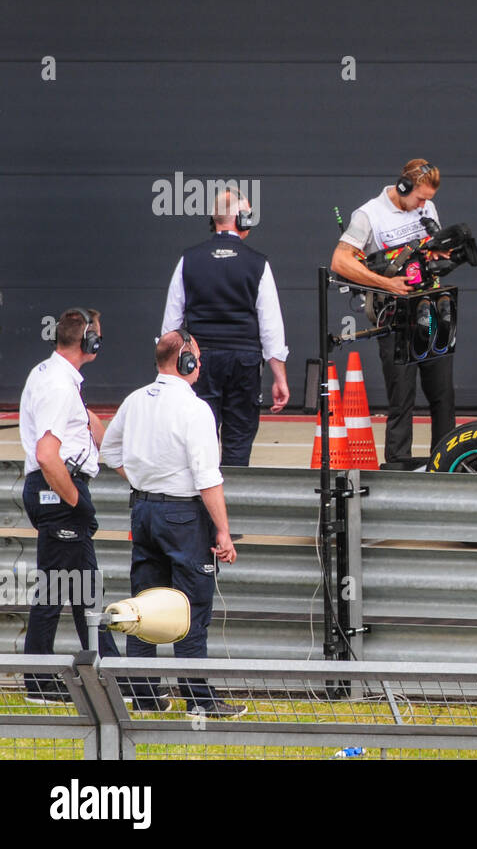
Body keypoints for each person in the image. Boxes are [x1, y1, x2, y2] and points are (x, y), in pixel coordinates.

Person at [99, 330, 246, 718]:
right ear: (187, 362)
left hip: (143, 511)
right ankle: (198, 699)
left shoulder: (134, 401)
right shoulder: (195, 409)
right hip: (183, 515)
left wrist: (141, 481)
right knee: (192, 607)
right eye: (197, 356)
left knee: (144, 607)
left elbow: (109, 450)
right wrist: (224, 531)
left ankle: (145, 695)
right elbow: (207, 478)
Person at [19, 308, 120, 702]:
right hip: (59, 492)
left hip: (53, 491)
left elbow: (71, 426)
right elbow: (47, 455)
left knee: (80, 590)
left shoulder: (48, 374)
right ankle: (44, 684)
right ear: (88, 342)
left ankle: (105, 676)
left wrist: (90, 425)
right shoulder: (60, 385)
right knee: (62, 591)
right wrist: (77, 502)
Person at [330, 159, 455, 463]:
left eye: (428, 200)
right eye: (420, 198)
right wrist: (385, 282)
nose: (424, 204)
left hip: (432, 307)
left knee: (443, 396)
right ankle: (398, 469)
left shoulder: (426, 207)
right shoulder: (369, 214)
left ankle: (448, 464)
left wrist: (440, 252)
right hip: (395, 315)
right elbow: (340, 261)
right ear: (403, 187)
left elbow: (430, 246)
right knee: (402, 400)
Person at [162, 187, 289, 466]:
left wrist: (169, 372)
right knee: (239, 439)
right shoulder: (258, 263)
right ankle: (233, 499)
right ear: (242, 219)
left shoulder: (188, 259)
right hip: (244, 362)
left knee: (199, 437)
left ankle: (200, 502)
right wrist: (280, 377)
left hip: (200, 361)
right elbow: (271, 327)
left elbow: (170, 327)